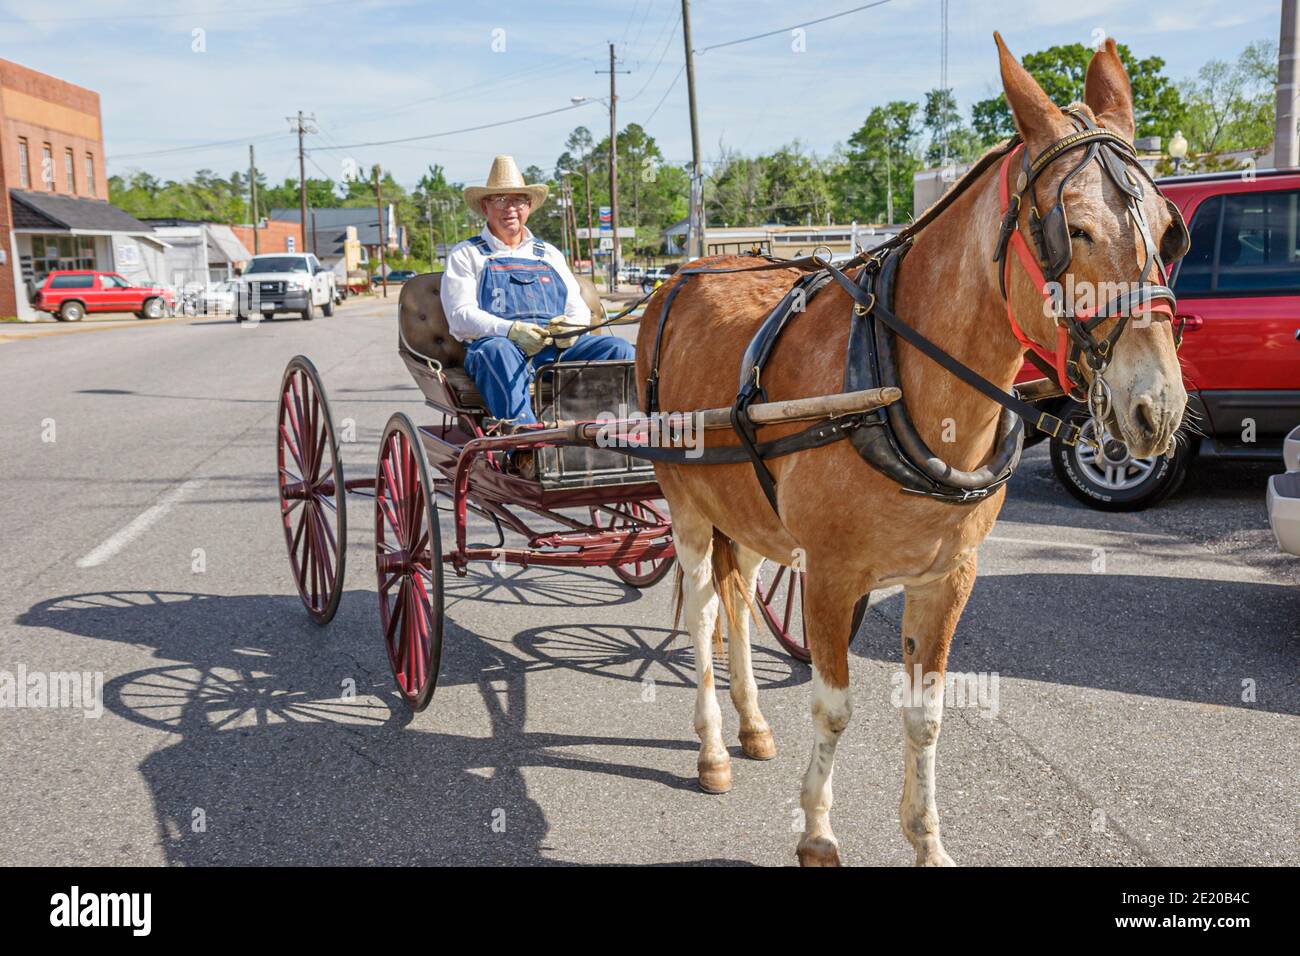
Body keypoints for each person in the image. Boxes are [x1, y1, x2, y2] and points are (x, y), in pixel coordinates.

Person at [440, 155, 634, 426]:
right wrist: (511, 331)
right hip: (499, 349)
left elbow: (575, 305)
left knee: (619, 349)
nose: (510, 208)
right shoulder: (467, 254)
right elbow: (460, 316)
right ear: (485, 207)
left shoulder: (549, 254)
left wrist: (571, 327)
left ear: (529, 206)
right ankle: (524, 442)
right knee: (498, 351)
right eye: (500, 200)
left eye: (518, 200)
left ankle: (607, 433)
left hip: (554, 349)